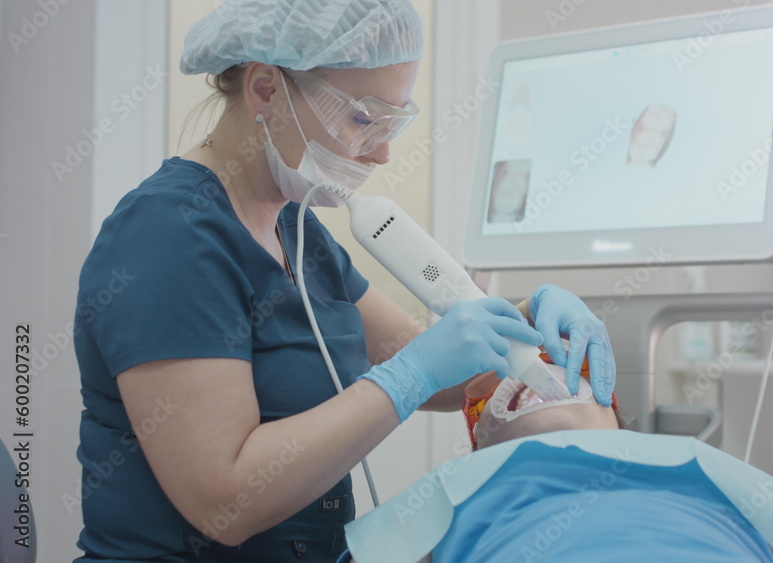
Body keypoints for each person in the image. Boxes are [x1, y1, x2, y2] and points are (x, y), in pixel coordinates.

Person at [72, 1, 615, 561]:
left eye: (392, 124)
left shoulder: (299, 231)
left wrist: (526, 318)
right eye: (363, 119)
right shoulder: (169, 236)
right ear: (265, 90)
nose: (382, 152)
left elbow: (447, 375)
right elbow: (224, 502)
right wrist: (413, 373)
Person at [341, 359, 773, 563]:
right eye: (508, 384)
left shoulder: (688, 454)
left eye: (574, 369)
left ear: (617, 418)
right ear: (480, 443)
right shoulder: (461, 480)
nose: (543, 370)